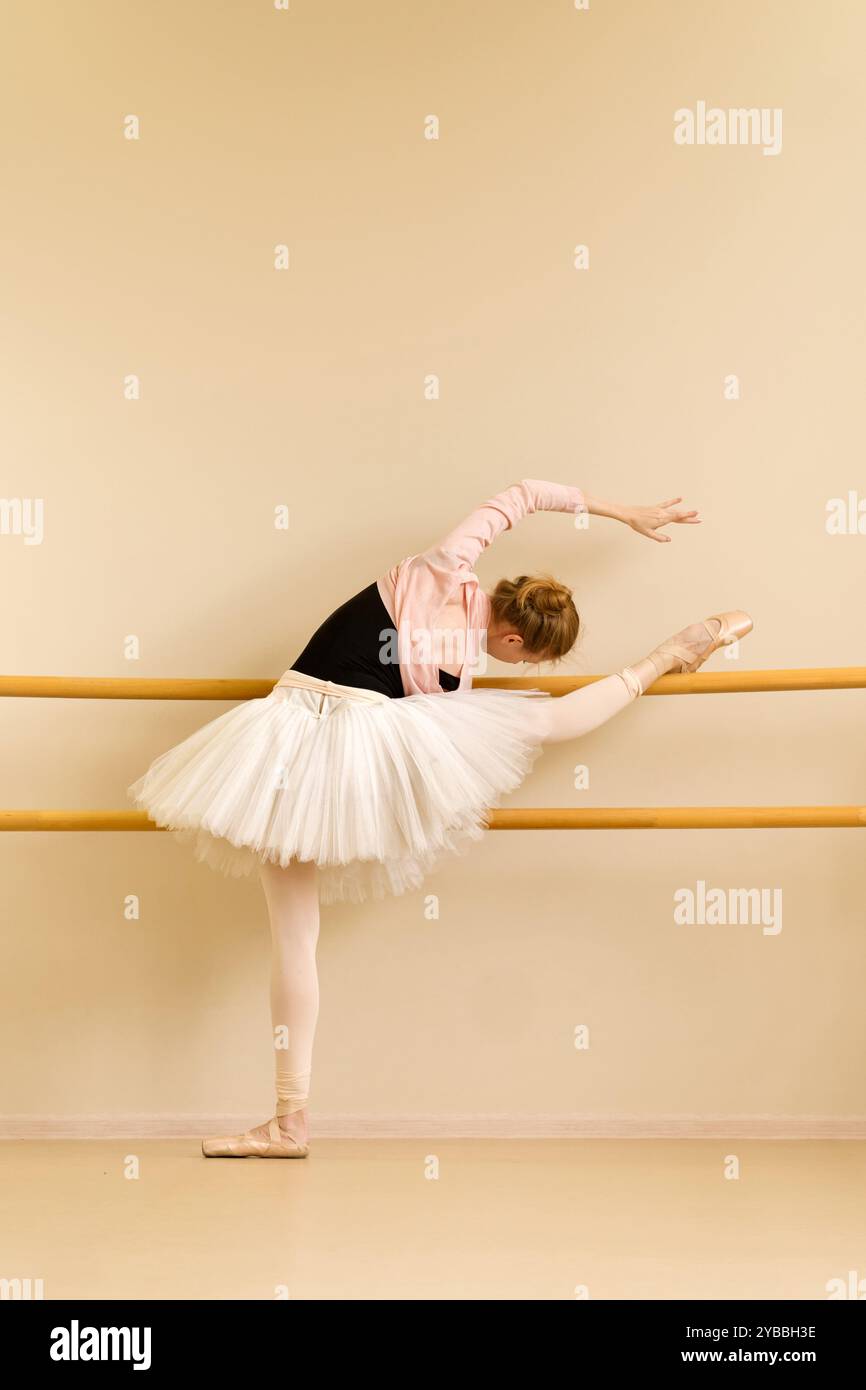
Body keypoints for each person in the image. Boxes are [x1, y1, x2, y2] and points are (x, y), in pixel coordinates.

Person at [128, 479, 752, 1158]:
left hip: (293, 737)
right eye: (525, 658)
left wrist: (623, 510)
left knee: (294, 937)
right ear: (513, 636)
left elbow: (521, 494)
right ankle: (664, 658)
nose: (509, 664)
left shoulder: (447, 564)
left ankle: (288, 1120)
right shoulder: (455, 678)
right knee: (542, 720)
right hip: (346, 749)